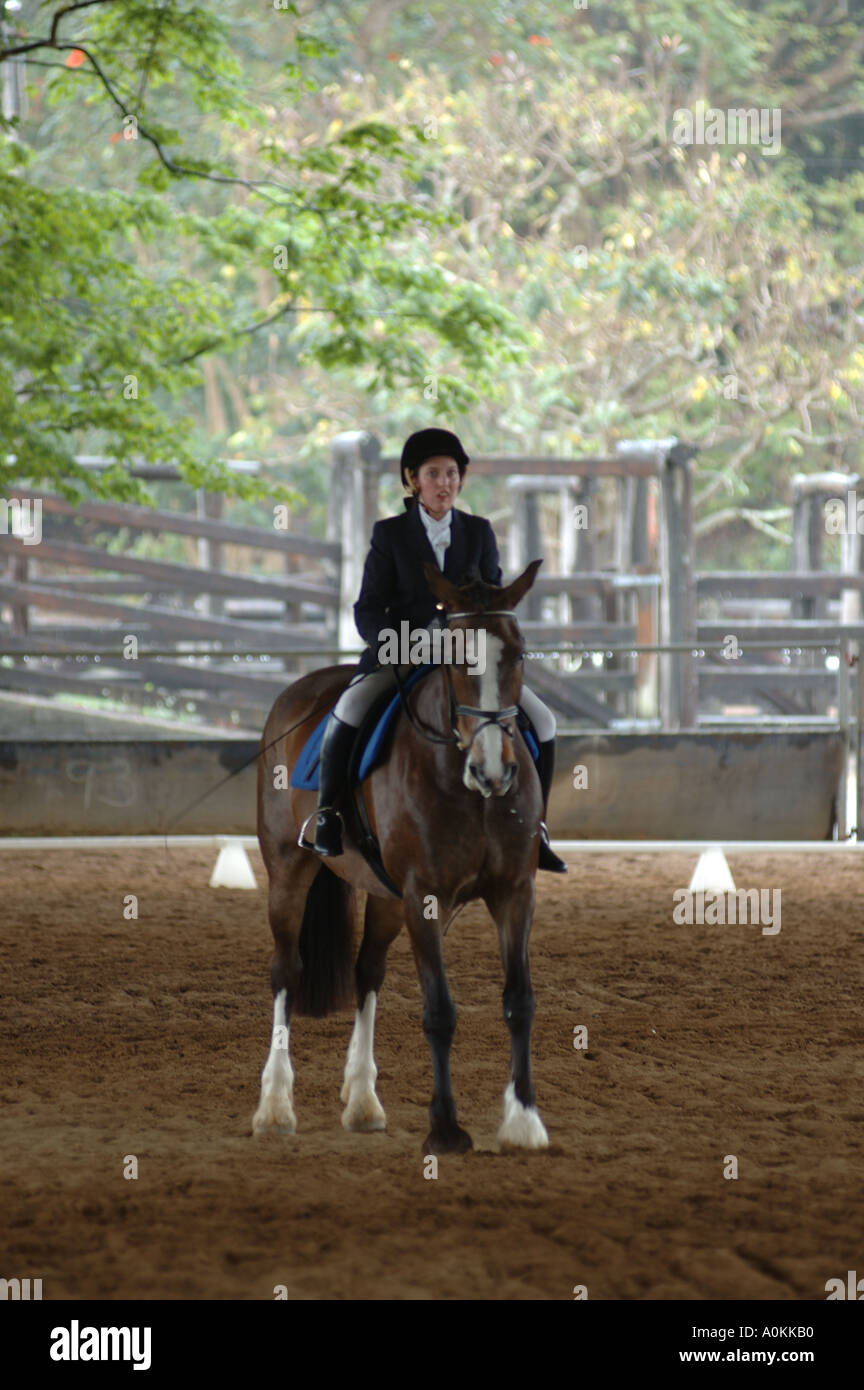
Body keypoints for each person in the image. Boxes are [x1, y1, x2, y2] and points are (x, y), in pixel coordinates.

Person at [309, 427, 566, 872]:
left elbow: (490, 599)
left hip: (469, 660)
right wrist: (401, 642)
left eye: (452, 473)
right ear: (412, 480)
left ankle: (537, 828)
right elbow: (368, 609)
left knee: (543, 719)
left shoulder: (479, 532)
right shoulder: (389, 535)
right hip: (405, 652)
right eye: (433, 474)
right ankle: (329, 814)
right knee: (350, 706)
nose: (444, 483)